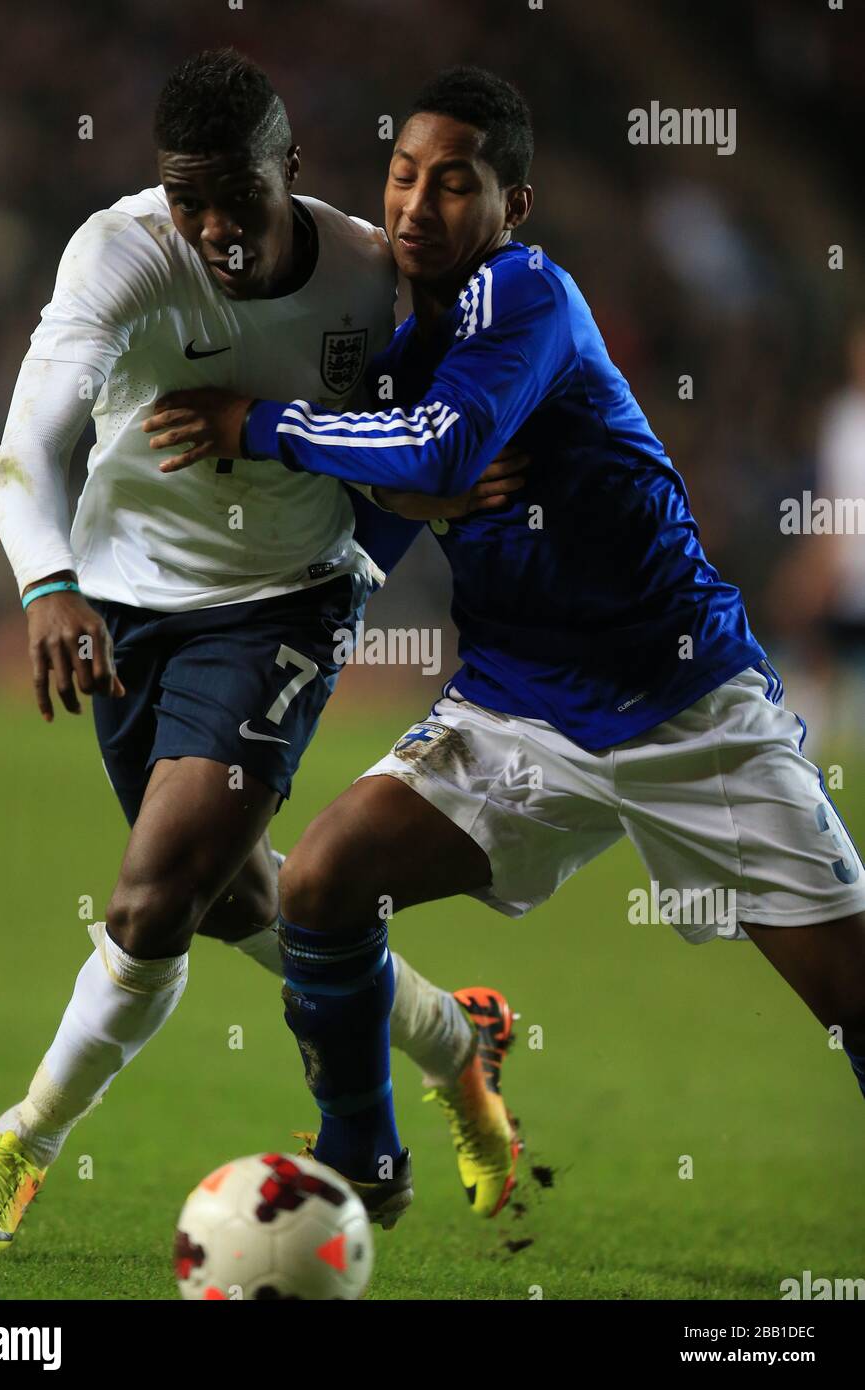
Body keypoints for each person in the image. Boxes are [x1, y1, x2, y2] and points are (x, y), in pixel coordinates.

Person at [168, 65, 865, 1223]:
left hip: (684, 704)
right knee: (327, 881)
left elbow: (439, 455)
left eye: (455, 184)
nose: (415, 206)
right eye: (402, 177)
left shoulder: (525, 294)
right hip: (517, 710)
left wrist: (266, 426)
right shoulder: (400, 362)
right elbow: (377, 535)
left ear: (511, 207)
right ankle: (363, 1168)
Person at [0, 50, 525, 1261]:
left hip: (283, 606)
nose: (212, 229)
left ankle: (23, 1142)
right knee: (236, 899)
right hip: (120, 606)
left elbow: (419, 429)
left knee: (151, 899)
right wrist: (48, 587)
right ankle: (458, 1040)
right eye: (186, 199)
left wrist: (451, 493)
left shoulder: (368, 272)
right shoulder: (120, 255)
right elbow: (29, 443)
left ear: (289, 170)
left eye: (235, 198)